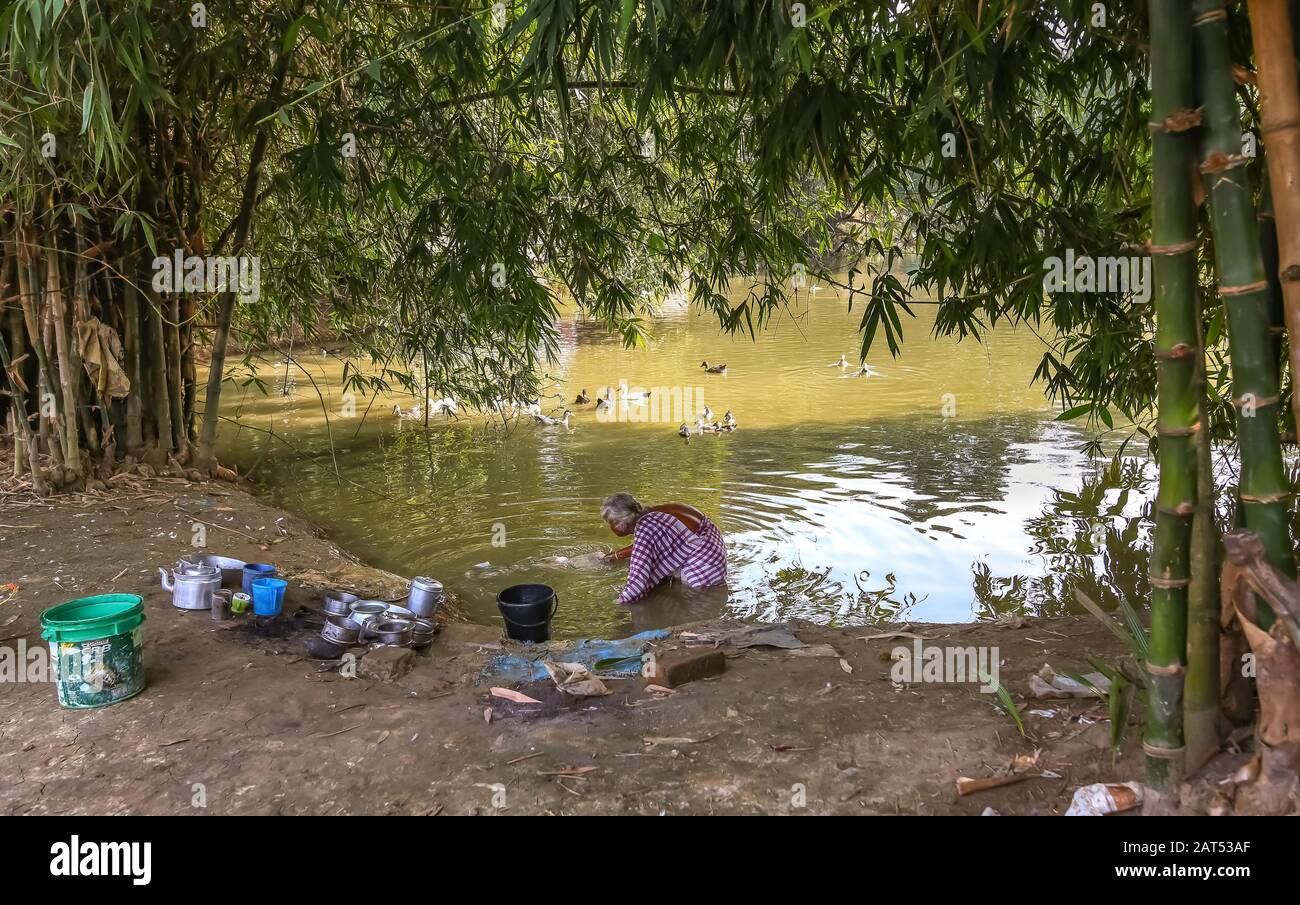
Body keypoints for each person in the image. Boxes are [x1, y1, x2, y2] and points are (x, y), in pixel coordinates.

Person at [600, 493, 727, 604]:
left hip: (703, 574)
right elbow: (650, 546)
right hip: (716, 554)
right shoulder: (654, 514)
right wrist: (615, 555)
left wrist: (620, 601)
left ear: (620, 524)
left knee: (686, 598)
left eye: (610, 523)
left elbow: (637, 579)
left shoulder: (646, 529)